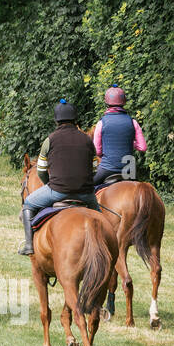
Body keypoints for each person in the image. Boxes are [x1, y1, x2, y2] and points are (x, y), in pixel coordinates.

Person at [19, 100, 100, 256]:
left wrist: (48, 185)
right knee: (101, 217)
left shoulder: (50, 140)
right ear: (75, 119)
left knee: (28, 204)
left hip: (58, 191)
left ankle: (29, 245)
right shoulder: (87, 140)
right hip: (86, 194)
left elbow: (41, 170)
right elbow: (94, 169)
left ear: (56, 120)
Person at [92, 85, 147, 184]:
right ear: (124, 102)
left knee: (88, 185)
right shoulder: (133, 122)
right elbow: (142, 147)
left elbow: (97, 150)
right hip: (129, 169)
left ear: (106, 103)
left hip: (106, 169)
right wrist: (129, 142)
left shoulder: (101, 123)